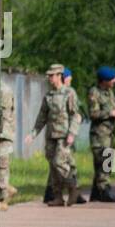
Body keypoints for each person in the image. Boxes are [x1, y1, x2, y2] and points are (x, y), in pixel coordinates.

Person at [26, 63, 81, 206]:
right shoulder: (49, 96)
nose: (49, 78)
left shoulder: (69, 93)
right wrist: (32, 135)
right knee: (53, 166)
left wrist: (72, 133)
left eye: (52, 75)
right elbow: (41, 118)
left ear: (59, 76)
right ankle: (58, 197)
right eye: (49, 76)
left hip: (64, 136)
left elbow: (76, 116)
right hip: (51, 137)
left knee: (59, 163)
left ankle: (73, 188)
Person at [86, 66, 115, 201]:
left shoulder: (110, 93)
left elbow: (112, 108)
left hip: (110, 132)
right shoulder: (94, 92)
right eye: (112, 79)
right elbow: (93, 113)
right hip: (100, 134)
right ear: (104, 80)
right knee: (104, 161)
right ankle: (104, 190)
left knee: (108, 161)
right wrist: (110, 113)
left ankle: (96, 192)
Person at [0, 80, 16, 209]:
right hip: (0, 132)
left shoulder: (3, 90)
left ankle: (3, 199)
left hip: (3, 133)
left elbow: (4, 114)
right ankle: (7, 189)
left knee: (2, 166)